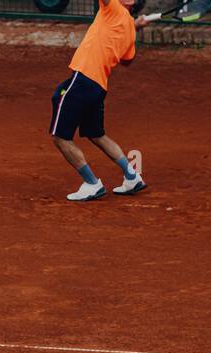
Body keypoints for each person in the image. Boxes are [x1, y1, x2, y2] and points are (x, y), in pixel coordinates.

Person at [50, 0, 151, 202]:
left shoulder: (112, 8)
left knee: (60, 137)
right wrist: (133, 27)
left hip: (84, 79)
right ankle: (132, 177)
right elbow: (127, 60)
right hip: (98, 87)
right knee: (96, 134)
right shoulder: (128, 27)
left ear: (130, 2)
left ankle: (91, 183)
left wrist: (129, 23)